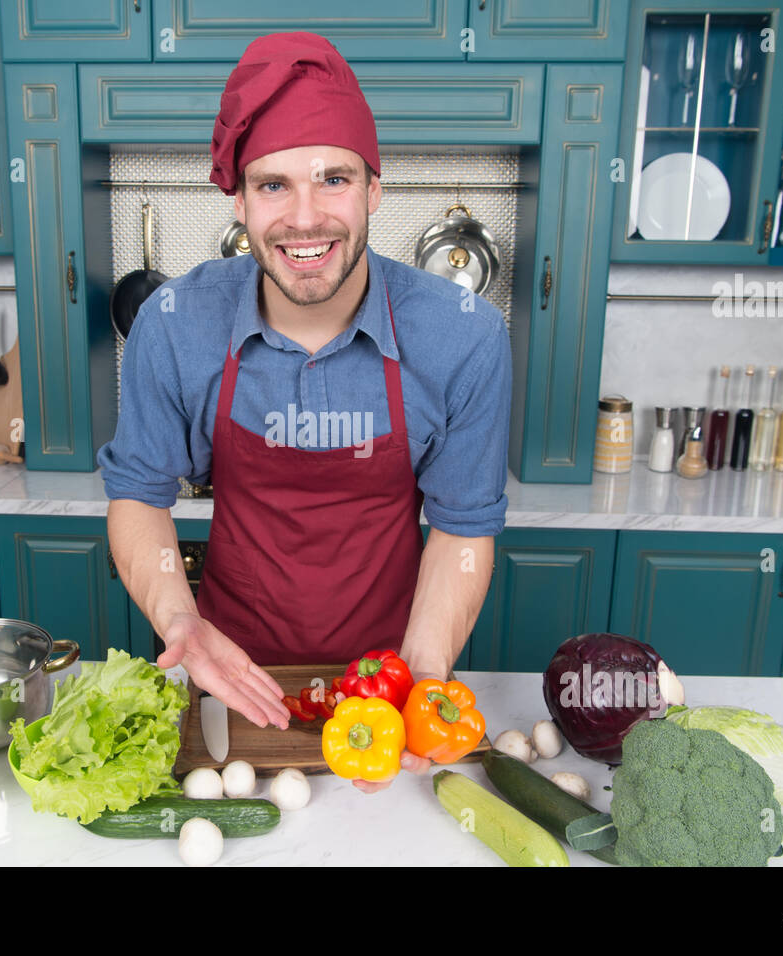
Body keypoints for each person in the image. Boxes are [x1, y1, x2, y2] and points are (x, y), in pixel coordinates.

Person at [99, 32, 510, 792]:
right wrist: (179, 622)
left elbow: (462, 530)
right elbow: (138, 495)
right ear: (240, 201)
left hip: (389, 676)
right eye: (274, 185)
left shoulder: (463, 336)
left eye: (334, 179)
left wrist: (420, 680)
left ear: (375, 189)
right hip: (231, 669)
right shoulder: (175, 323)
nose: (306, 217)